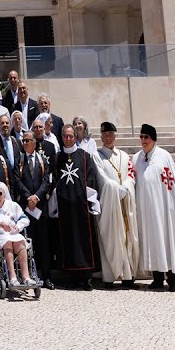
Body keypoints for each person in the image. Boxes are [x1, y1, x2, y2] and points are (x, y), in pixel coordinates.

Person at [132, 124, 175, 291]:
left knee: (166, 240)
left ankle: (171, 278)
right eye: (141, 137)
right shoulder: (137, 158)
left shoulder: (164, 156)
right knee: (153, 242)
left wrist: (170, 205)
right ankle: (157, 278)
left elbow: (170, 183)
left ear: (153, 139)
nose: (143, 140)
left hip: (163, 209)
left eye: (146, 137)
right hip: (147, 210)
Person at [54, 124, 101, 289]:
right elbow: (54, 182)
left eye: (70, 136)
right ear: (62, 138)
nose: (68, 139)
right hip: (65, 207)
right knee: (68, 241)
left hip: (81, 207)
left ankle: (87, 276)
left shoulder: (85, 156)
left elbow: (90, 178)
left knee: (84, 241)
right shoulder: (57, 157)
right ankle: (72, 277)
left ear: (75, 137)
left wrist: (91, 200)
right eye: (65, 136)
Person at [92, 122, 139, 287]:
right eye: (105, 135)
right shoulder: (97, 155)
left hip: (125, 203)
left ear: (115, 136)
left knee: (126, 237)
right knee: (112, 238)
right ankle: (109, 277)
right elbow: (101, 176)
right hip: (110, 205)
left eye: (111, 134)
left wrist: (126, 186)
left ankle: (128, 276)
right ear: (101, 136)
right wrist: (114, 188)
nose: (108, 137)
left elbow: (131, 174)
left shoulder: (124, 156)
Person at [14, 132, 54, 289]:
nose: (24, 143)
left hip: (40, 208)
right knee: (27, 242)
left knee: (43, 242)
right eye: (23, 141)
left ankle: (47, 276)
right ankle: (29, 274)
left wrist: (36, 197)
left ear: (34, 142)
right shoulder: (19, 161)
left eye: (27, 140)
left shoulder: (43, 160)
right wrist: (28, 197)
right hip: (26, 208)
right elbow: (16, 180)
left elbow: (47, 181)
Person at [0, 181, 33, 287]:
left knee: (21, 241)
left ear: (5, 194)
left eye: (0, 193)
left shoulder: (13, 205)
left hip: (12, 233)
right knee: (8, 243)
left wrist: (19, 226)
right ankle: (12, 277)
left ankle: (26, 277)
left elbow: (25, 218)